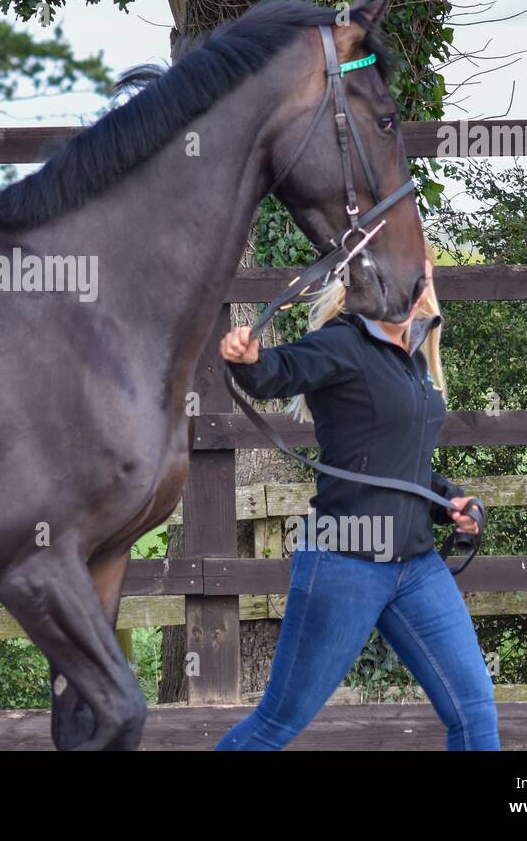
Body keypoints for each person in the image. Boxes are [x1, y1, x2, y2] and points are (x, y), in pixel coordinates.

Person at [213, 248, 499, 751]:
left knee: (473, 712)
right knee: (277, 723)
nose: (419, 289)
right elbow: (277, 371)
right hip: (344, 560)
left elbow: (400, 464)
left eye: (424, 278)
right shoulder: (340, 344)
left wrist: (450, 501)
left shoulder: (414, 358)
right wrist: (249, 359)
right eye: (410, 277)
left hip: (416, 565)